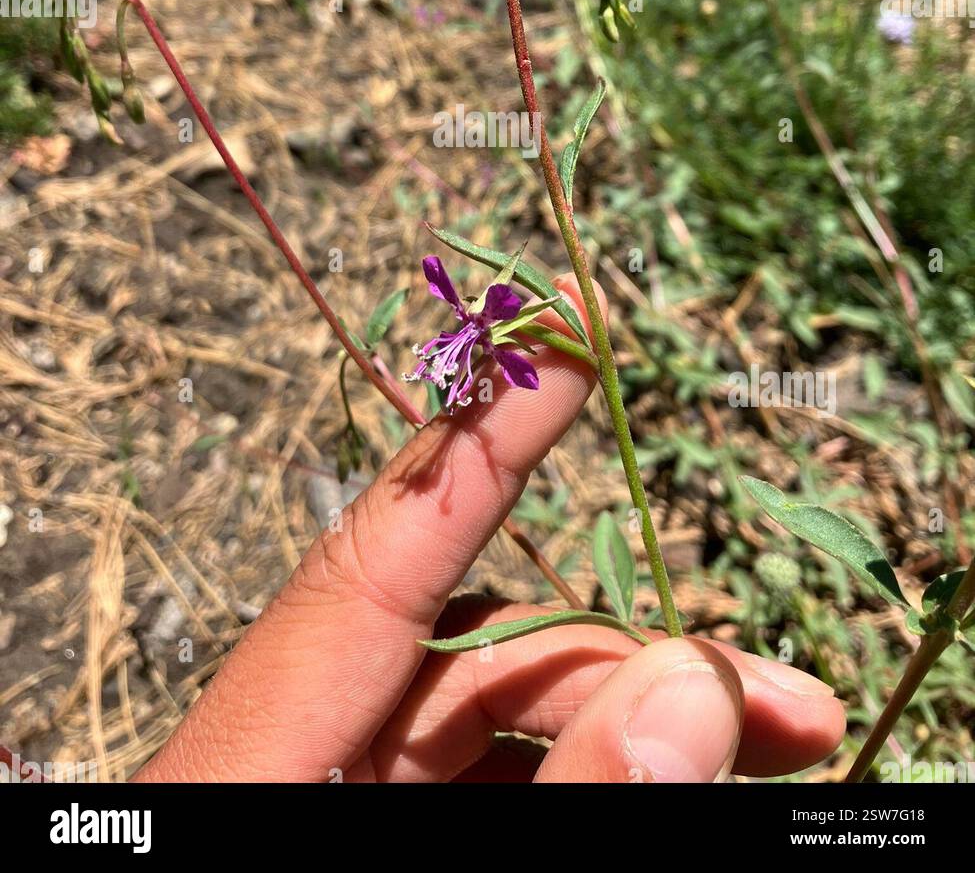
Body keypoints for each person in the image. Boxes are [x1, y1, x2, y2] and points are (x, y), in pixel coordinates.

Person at [134, 277, 845, 783]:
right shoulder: (503, 347)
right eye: (467, 326)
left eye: (478, 325)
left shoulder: (507, 342)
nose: (466, 341)